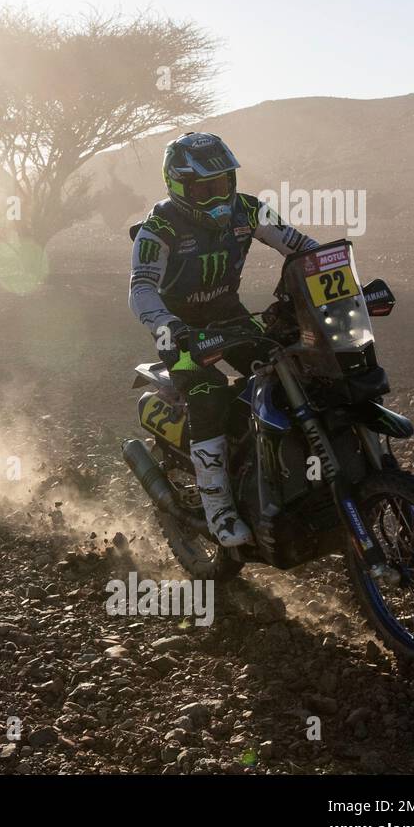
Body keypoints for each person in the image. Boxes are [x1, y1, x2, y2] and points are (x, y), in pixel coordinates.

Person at [128, 132, 318, 548]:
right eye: (207, 187)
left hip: (229, 315)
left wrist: (335, 275)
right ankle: (218, 507)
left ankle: (274, 469)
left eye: (225, 182)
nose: (220, 194)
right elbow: (140, 288)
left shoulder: (248, 208)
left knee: (286, 364)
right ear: (179, 188)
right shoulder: (159, 226)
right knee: (207, 392)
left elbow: (301, 247)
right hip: (178, 331)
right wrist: (169, 327)